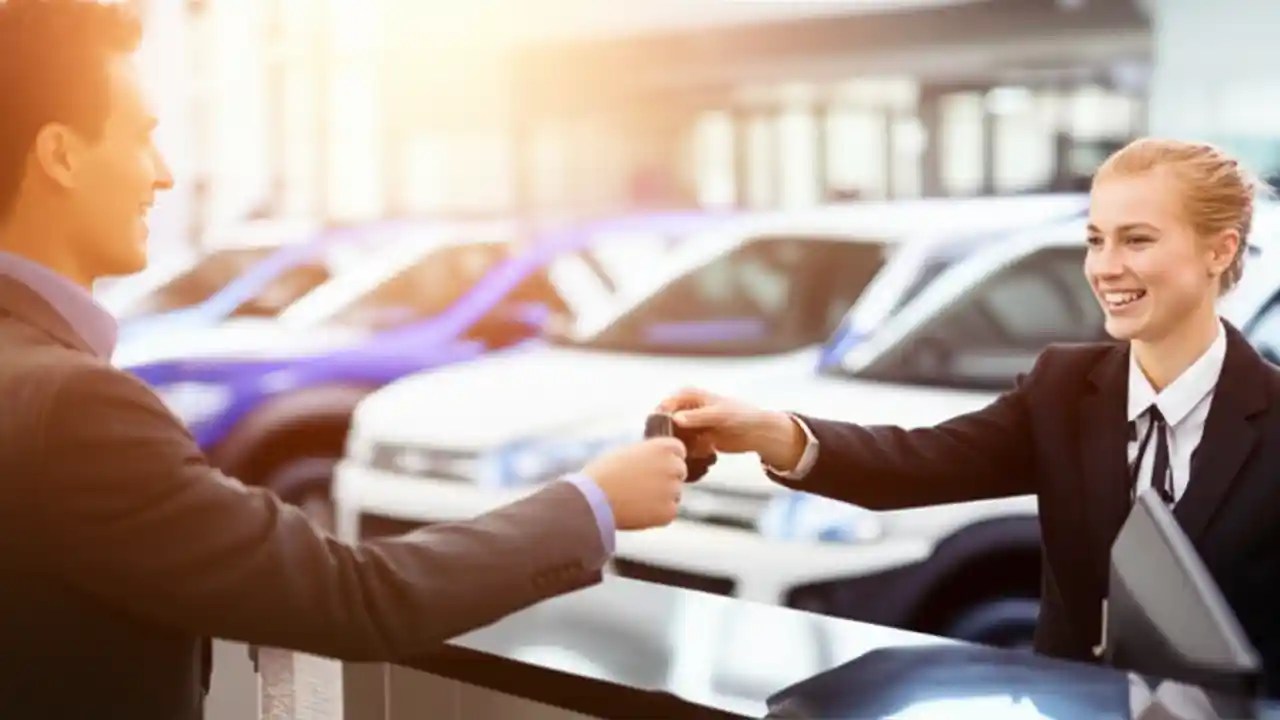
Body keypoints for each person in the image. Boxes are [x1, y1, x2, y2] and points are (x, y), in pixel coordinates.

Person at [0, 2, 687, 718]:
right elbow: (353, 595)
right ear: (61, 155)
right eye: (143, 139)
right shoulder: (75, 410)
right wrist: (597, 502)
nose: (164, 174)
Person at [661, 137, 1280, 694]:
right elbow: (915, 464)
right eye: (1096, 239)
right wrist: (771, 432)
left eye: (1137, 239)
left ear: (1219, 251)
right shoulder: (1065, 389)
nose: (1105, 266)